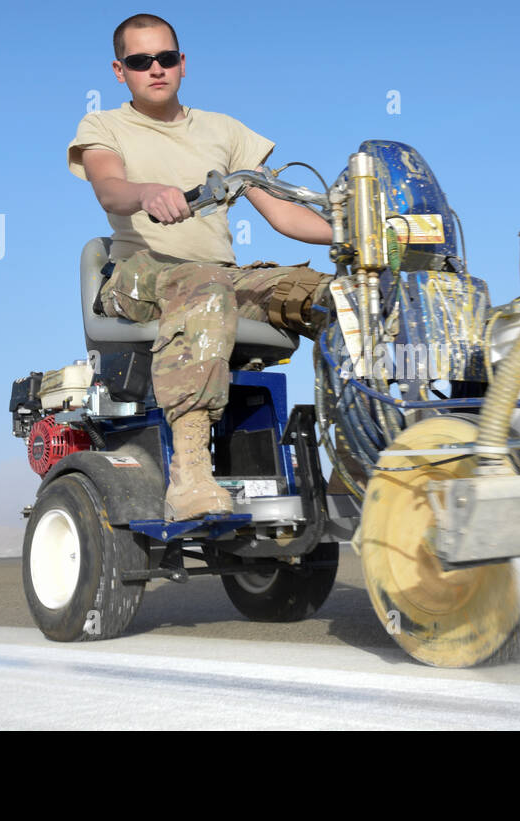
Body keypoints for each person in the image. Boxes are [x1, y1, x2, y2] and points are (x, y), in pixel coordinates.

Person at [67, 13, 332, 521]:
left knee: (334, 295)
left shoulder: (224, 131)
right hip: (138, 273)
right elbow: (109, 188)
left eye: (166, 58)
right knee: (205, 283)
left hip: (221, 277)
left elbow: (282, 214)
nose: (156, 69)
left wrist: (357, 233)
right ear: (120, 71)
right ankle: (190, 474)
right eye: (140, 61)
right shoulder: (103, 126)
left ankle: (354, 454)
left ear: (183, 63)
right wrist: (146, 193)